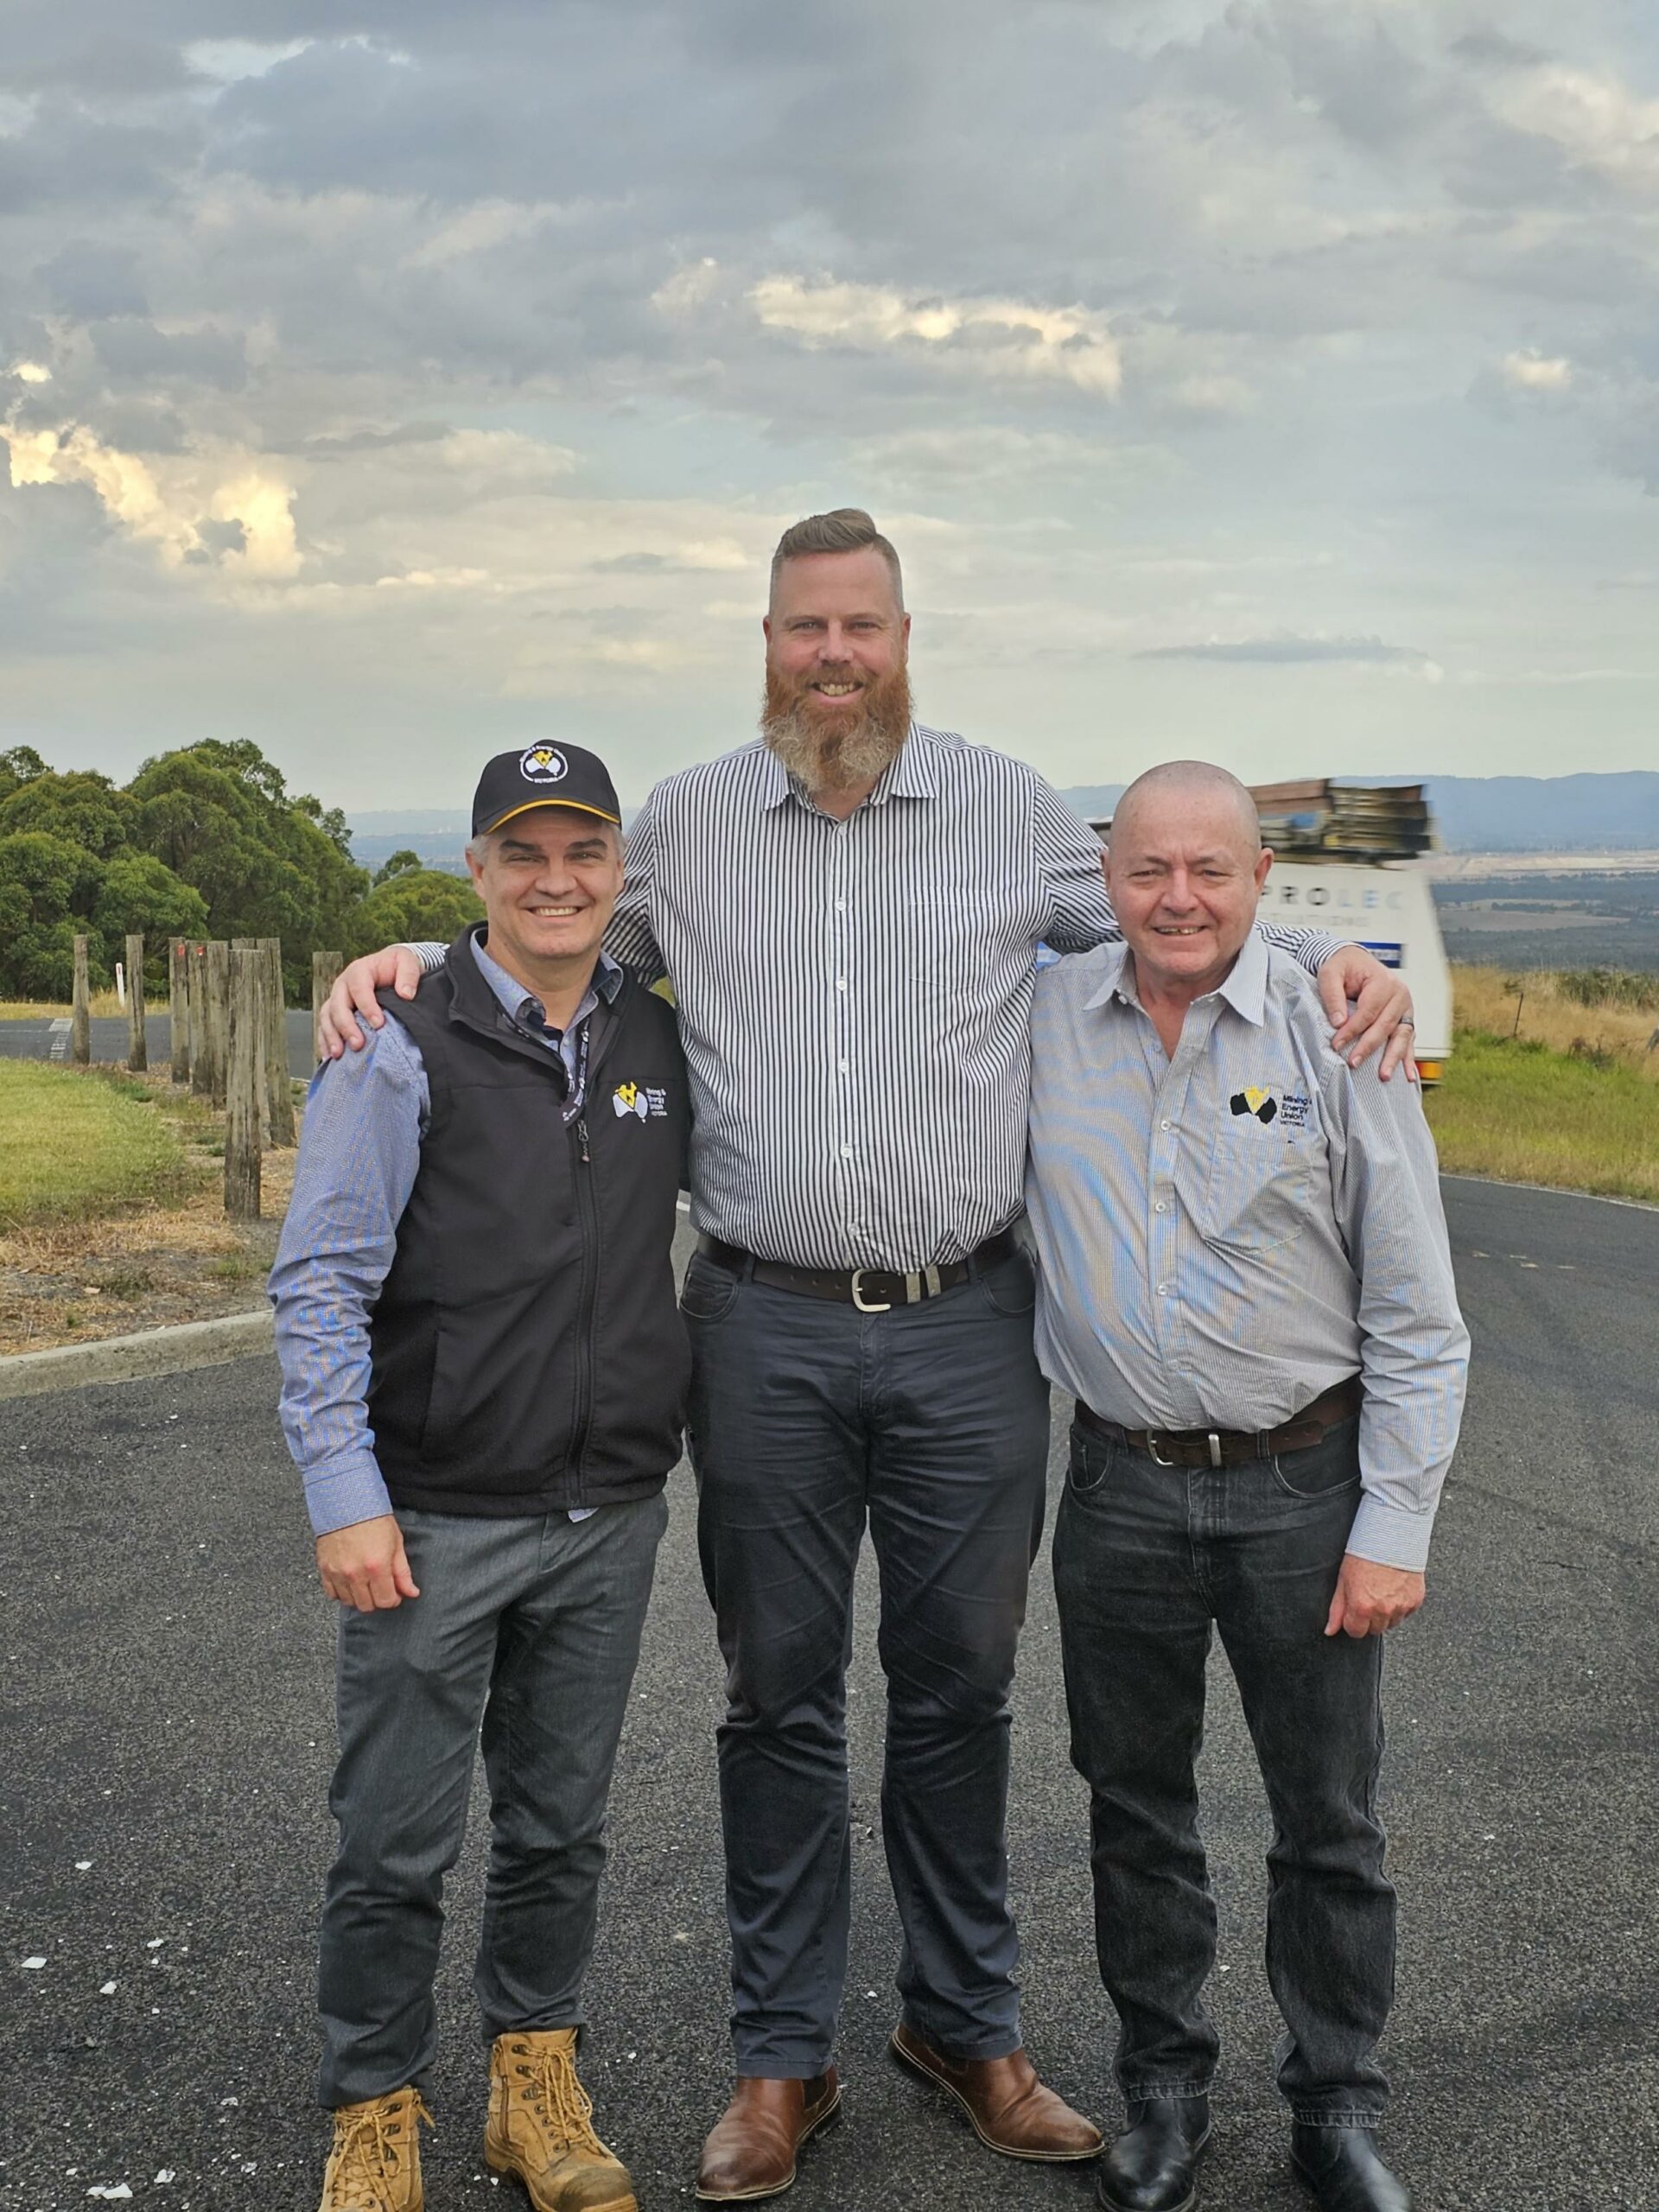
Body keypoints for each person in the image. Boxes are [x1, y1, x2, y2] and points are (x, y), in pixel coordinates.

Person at [320, 511, 1415, 2204]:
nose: (833, 656)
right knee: (777, 1699)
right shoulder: (682, 827)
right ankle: (782, 2055)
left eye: (862, 627)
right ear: (766, 641)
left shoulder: (1009, 811)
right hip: (759, 1324)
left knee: (961, 1690)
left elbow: (1174, 916)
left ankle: (963, 2026)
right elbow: (544, 940)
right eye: (803, 627)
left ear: (905, 640)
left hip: (970, 1324)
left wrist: (1329, 957)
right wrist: (397, 960)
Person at [1025, 761, 1467, 2212]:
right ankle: (1163, 2099)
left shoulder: (1340, 1031)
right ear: (1107, 878)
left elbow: (1417, 1314)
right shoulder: (1043, 1019)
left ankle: (1336, 2109)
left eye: (1211, 870)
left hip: (1304, 1489)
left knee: (1328, 1820)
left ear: (1259, 882)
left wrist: (1393, 1527)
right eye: (1149, 869)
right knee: (1135, 1810)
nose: (1179, 899)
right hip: (1118, 1488)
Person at [271, 745, 690, 2212]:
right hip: (434, 1517)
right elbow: (320, 1280)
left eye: (583, 852)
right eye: (525, 853)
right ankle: (373, 2106)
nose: (555, 880)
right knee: (393, 1840)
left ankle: (533, 2087)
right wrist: (344, 1493)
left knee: (559, 1829)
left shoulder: (657, 1035)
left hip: (608, 1511)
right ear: (476, 871)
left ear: (619, 871)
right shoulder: (395, 1037)